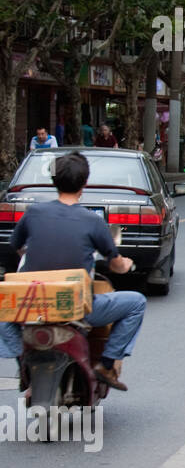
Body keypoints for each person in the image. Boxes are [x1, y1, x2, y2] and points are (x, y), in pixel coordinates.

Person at [0, 152, 144, 391]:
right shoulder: (93, 221)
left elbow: (16, 247)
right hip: (76, 306)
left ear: (53, 182)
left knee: (5, 317)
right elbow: (115, 263)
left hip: (32, 304)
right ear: (84, 184)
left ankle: (22, 363)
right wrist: (125, 264)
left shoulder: (34, 213)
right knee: (136, 302)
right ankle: (107, 365)